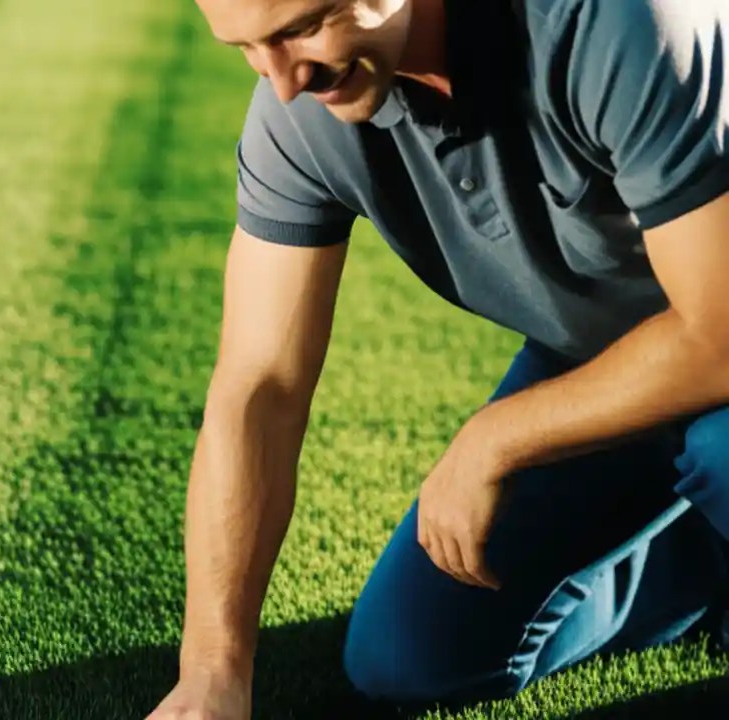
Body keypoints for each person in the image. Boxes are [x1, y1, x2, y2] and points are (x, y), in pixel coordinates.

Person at [146, 0, 729, 717]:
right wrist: (213, 668)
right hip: (612, 361)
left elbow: (720, 338)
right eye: (248, 47)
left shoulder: (614, 21)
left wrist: (496, 438)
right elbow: (259, 387)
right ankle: (705, 566)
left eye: (301, 28)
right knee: (411, 657)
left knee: (722, 446)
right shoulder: (298, 113)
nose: (283, 80)